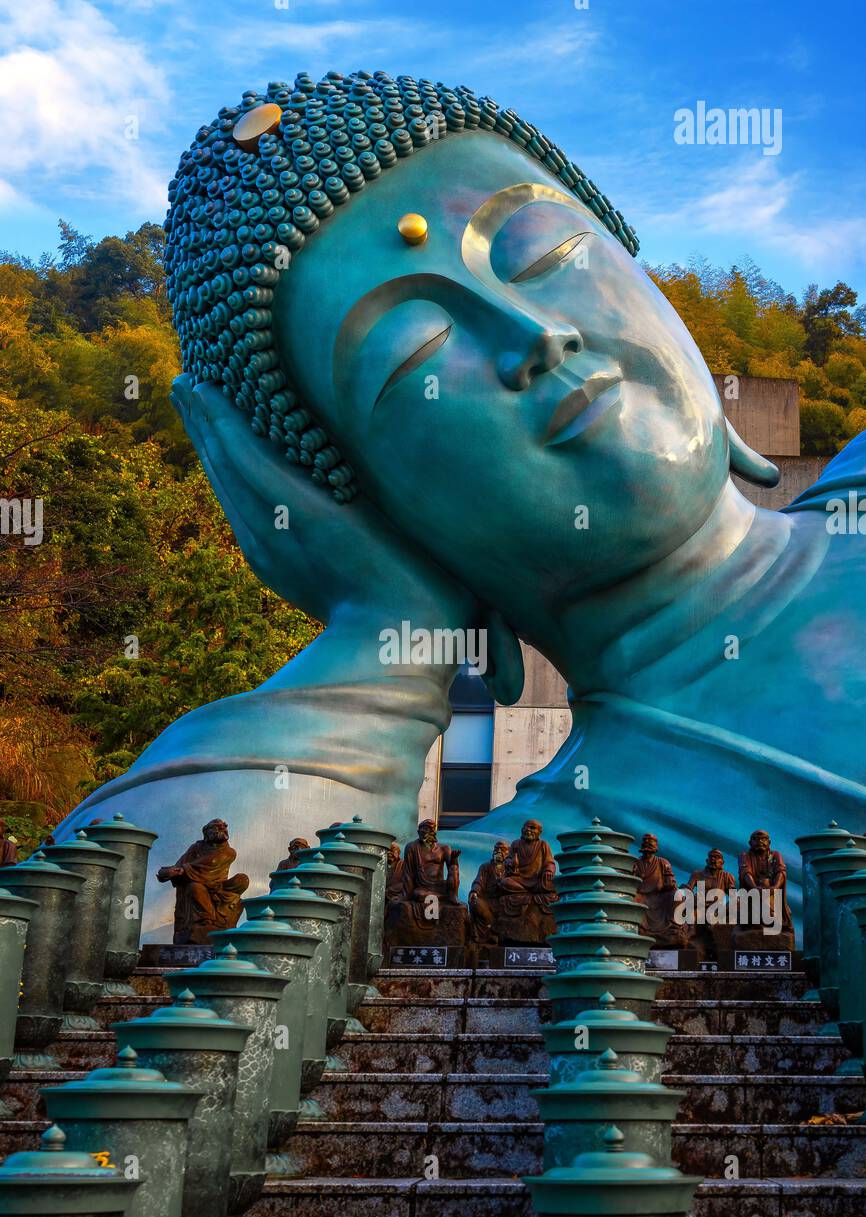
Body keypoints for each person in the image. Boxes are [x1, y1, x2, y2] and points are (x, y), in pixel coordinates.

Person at [54, 67, 866, 936]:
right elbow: (122, 947)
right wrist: (381, 631)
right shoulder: (551, 874)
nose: (535, 338)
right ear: (364, 508)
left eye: (544, 255)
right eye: (417, 355)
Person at [156, 818, 249, 945]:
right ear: (206, 833)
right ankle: (207, 922)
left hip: (218, 886)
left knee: (242, 879)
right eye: (216, 827)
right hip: (200, 885)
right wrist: (168, 872)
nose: (222, 830)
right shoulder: (196, 848)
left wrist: (181, 871)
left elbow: (208, 863)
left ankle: (219, 918)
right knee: (195, 887)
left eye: (224, 827)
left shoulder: (229, 852)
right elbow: (181, 863)